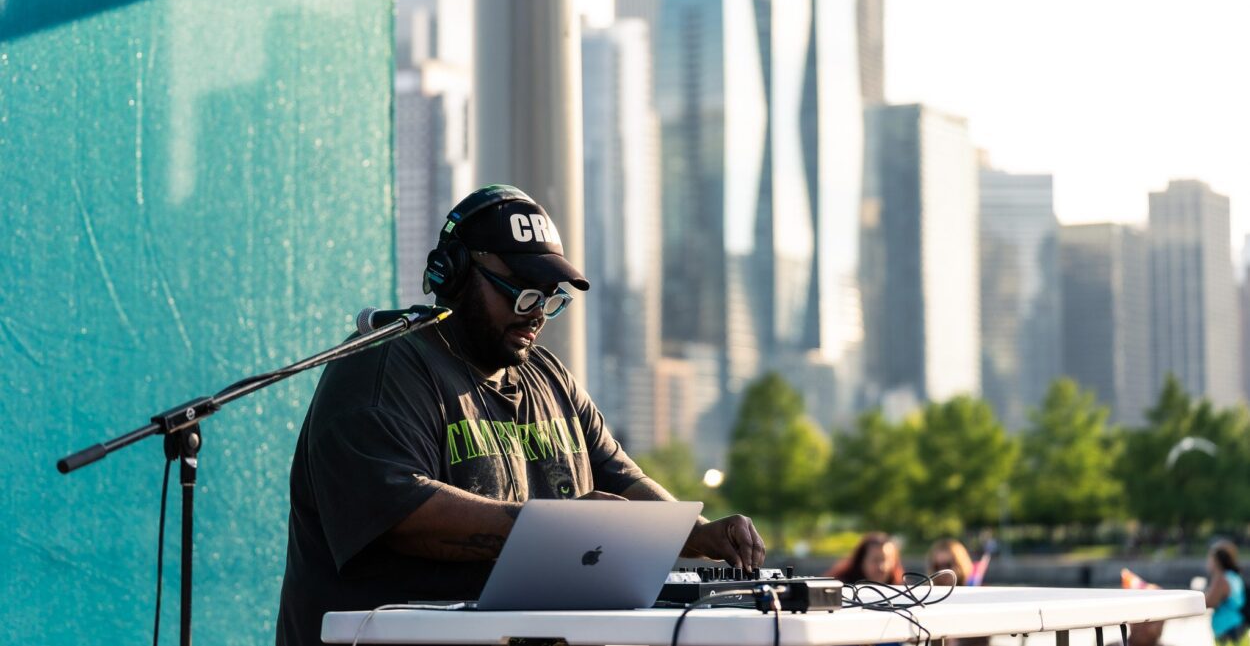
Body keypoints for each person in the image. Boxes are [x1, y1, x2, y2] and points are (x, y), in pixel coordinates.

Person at [276, 185, 766, 646]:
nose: (537, 312)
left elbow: (622, 482)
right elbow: (402, 513)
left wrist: (698, 534)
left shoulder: (549, 377)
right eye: (522, 291)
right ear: (455, 274)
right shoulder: (382, 367)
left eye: (551, 297)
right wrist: (556, 527)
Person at [926, 539, 988, 646]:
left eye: (948, 565)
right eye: (937, 566)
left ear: (960, 563)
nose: (942, 571)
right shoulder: (928, 596)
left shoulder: (978, 593)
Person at [1205, 539, 1247, 643]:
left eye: (1210, 558)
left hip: (1227, 630)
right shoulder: (1234, 576)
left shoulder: (1221, 579)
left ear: (1217, 560)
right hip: (1238, 626)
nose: (1208, 561)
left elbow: (1209, 602)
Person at [826, 531, 904, 584]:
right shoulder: (842, 590)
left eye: (885, 560)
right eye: (875, 560)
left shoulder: (904, 593)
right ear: (861, 561)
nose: (881, 567)